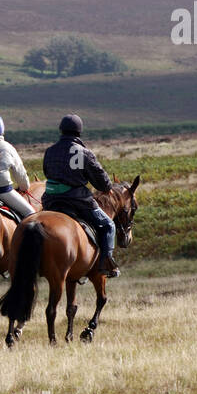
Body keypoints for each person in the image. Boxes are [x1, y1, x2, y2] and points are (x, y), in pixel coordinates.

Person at [42, 114, 119, 277]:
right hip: (78, 201)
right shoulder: (85, 153)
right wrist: (107, 187)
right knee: (108, 226)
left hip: (51, 200)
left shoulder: (50, 151)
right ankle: (106, 263)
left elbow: (46, 172)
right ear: (79, 132)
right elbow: (100, 178)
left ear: (61, 131)